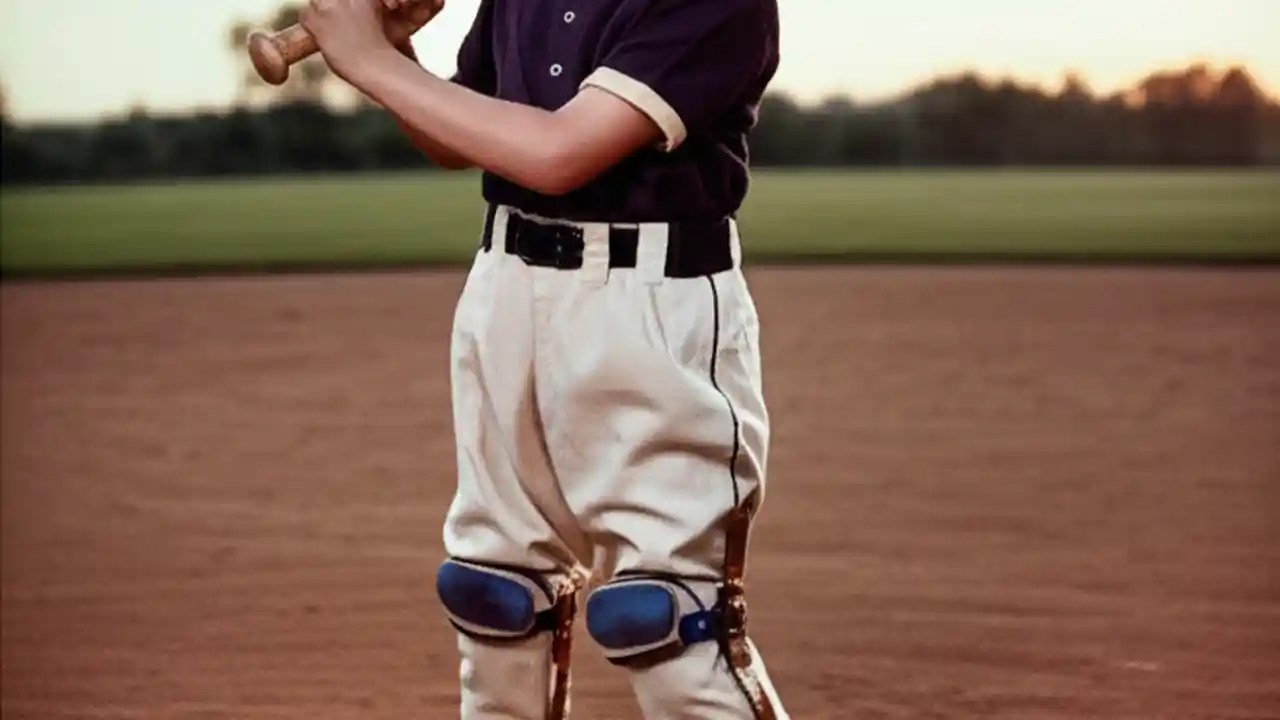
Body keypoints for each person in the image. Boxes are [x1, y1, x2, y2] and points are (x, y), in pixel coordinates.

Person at [301, 0, 786, 717]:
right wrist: (394, 55)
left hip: (646, 304)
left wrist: (367, 60)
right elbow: (459, 136)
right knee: (494, 595)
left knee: (666, 618)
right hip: (506, 291)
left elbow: (558, 155)